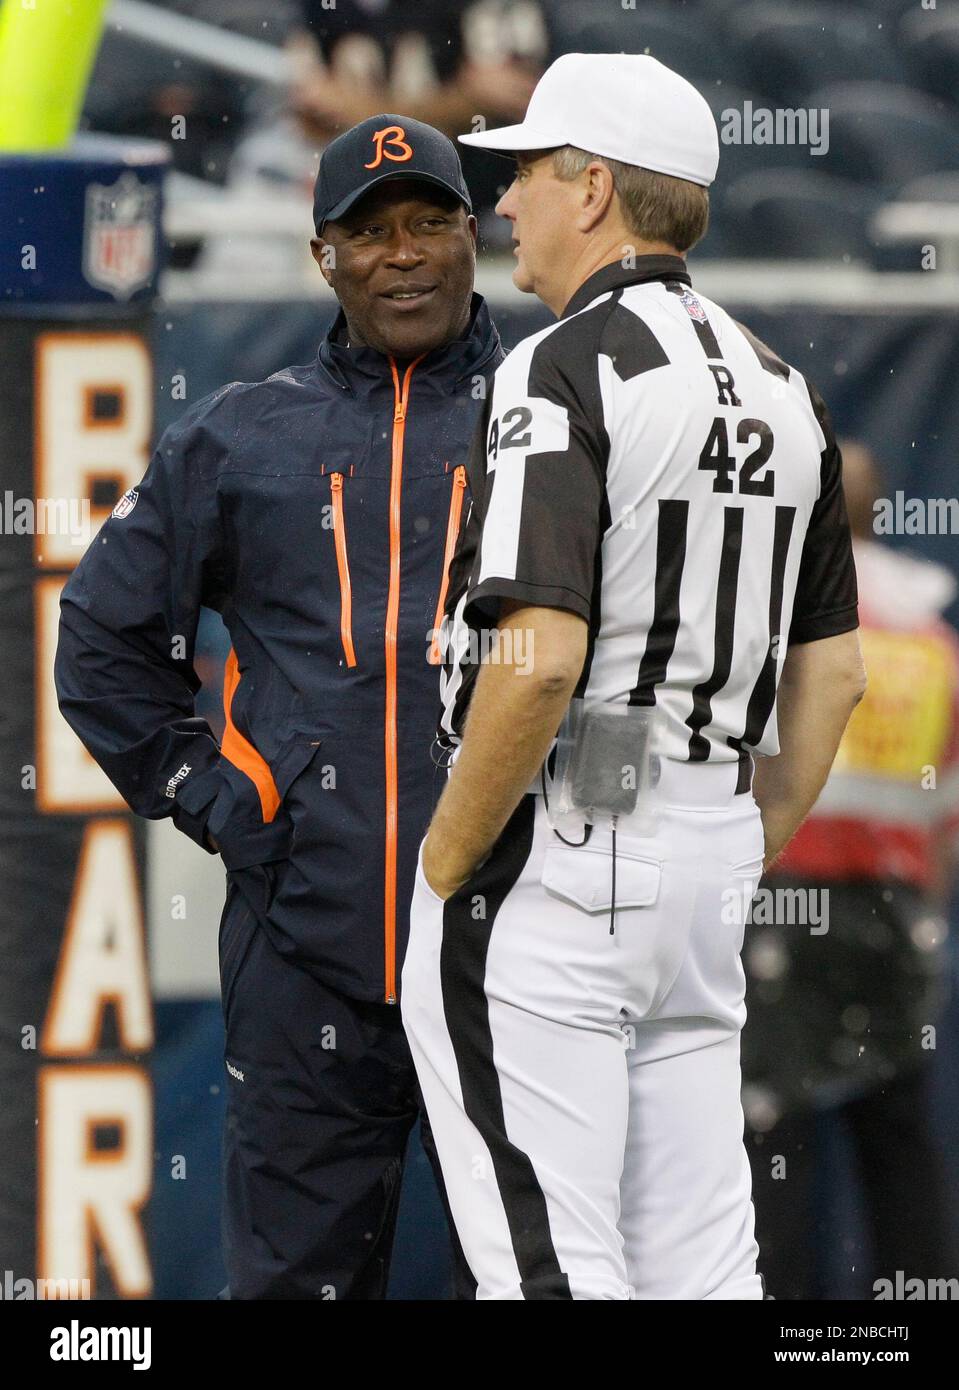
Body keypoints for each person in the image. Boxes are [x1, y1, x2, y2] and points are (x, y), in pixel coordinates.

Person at [400, 53, 867, 1300]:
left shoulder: (557, 366)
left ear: (591, 187)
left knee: (551, 1268)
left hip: (557, 848)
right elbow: (833, 679)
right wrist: (727, 839)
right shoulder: (788, 391)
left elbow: (540, 653)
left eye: (524, 176)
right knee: (706, 1274)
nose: (502, 205)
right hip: (706, 849)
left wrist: (447, 864)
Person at [55, 115, 503, 1300]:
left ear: (474, 234)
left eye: (425, 223)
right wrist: (223, 797)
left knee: (534, 1286)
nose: (400, 255)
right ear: (322, 258)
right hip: (305, 950)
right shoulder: (239, 433)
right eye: (368, 232)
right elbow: (102, 637)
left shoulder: (553, 415)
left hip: (520, 952)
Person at [743, 441, 958, 1298]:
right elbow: (945, 814)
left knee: (773, 1133)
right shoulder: (931, 639)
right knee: (896, 1137)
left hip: (781, 916)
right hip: (895, 919)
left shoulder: (780, 614)